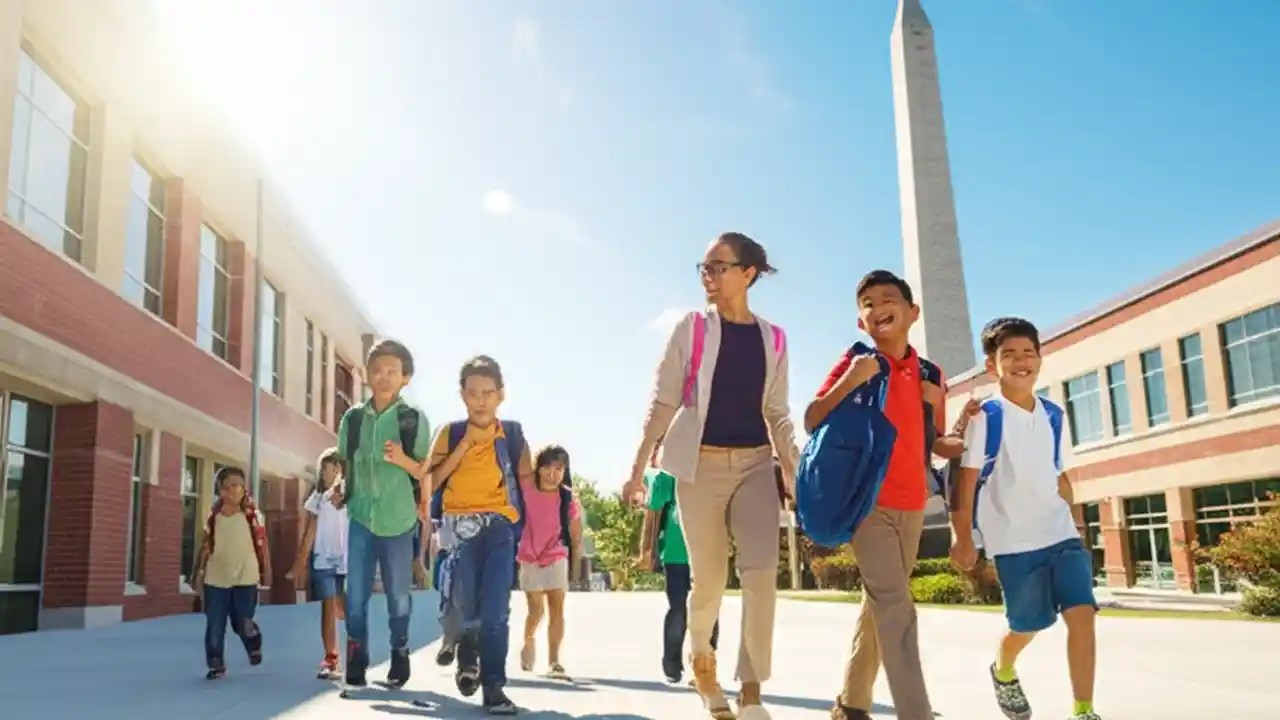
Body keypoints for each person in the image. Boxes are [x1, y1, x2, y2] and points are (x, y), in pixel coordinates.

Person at [623, 232, 800, 720]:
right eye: (703, 266)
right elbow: (663, 401)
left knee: (762, 578)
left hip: (754, 466)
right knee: (709, 580)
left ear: (749, 274)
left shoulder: (775, 338)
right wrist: (638, 468)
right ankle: (703, 666)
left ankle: (751, 690)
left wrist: (795, 469)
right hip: (697, 466)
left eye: (719, 266)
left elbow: (777, 413)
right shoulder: (692, 328)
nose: (709, 275)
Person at [803, 270, 963, 720]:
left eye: (887, 299)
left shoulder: (931, 373)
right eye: (868, 303)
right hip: (866, 501)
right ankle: (918, 713)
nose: (877, 308)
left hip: (913, 504)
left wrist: (964, 433)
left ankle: (851, 705)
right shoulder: (857, 360)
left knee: (878, 607)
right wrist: (853, 379)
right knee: (896, 609)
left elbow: (935, 442)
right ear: (860, 321)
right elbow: (813, 418)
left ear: (913, 312)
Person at [950, 318, 1101, 720]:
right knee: (1028, 625)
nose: (1021, 362)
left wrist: (1075, 524)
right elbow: (964, 484)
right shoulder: (986, 416)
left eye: (1028, 353)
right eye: (1009, 355)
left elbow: (1059, 474)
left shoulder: (1054, 414)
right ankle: (1003, 670)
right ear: (991, 365)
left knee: (1082, 614)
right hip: (1014, 542)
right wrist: (962, 537)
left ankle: (1083, 710)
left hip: (1060, 534)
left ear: (1040, 358)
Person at [427, 355, 533, 715]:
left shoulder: (514, 434)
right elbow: (431, 481)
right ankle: (467, 657)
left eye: (489, 392)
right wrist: (463, 447)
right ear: (462, 395)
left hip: (500, 527)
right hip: (460, 529)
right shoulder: (449, 432)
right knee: (466, 603)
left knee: (496, 611)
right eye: (473, 393)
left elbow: (527, 482)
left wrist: (533, 528)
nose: (481, 400)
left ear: (501, 394)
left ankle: (494, 687)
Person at [332, 339, 432, 689]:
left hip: (398, 521)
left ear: (405, 377)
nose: (384, 377)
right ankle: (356, 658)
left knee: (398, 598)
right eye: (377, 371)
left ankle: (399, 651)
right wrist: (341, 487)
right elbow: (345, 462)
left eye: (392, 371)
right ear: (367, 375)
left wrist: (402, 459)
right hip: (360, 517)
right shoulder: (354, 419)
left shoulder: (412, 419)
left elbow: (423, 470)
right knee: (355, 595)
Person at [637, 440, 721, 686]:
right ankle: (672, 665)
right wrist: (647, 550)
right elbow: (653, 515)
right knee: (678, 609)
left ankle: (705, 666)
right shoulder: (666, 476)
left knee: (709, 610)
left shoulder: (710, 470)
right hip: (676, 553)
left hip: (707, 550)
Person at [191, 466, 270, 680]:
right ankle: (216, 663)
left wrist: (266, 571)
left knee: (243, 622)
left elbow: (262, 545)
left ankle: (253, 643)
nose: (237, 490)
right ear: (222, 490)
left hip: (246, 577)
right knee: (215, 622)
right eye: (231, 486)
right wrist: (199, 573)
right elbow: (206, 547)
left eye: (240, 486)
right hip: (216, 578)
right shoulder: (213, 517)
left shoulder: (252, 515)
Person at [517, 445, 584, 680]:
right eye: (547, 467)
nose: (552, 473)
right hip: (529, 557)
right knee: (535, 611)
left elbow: (576, 536)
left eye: (559, 468)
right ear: (539, 467)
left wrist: (576, 567)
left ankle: (554, 661)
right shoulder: (526, 488)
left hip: (556, 555)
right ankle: (528, 640)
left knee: (557, 609)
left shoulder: (567, 496)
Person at [286, 448, 349, 679]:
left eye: (332, 468)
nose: (327, 473)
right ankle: (331, 658)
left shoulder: (352, 497)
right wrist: (300, 562)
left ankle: (353, 654)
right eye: (324, 469)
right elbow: (309, 532)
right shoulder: (317, 499)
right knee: (328, 608)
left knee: (346, 609)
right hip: (323, 560)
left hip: (347, 561)